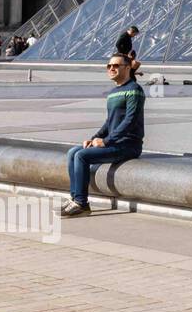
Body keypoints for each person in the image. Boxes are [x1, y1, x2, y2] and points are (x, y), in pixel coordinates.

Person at [62, 52, 146, 217]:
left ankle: (81, 203)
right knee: (73, 152)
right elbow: (109, 122)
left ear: (128, 68)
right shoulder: (114, 92)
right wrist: (94, 138)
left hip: (128, 145)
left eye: (116, 65)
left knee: (81, 156)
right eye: (109, 66)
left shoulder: (134, 90)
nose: (111, 68)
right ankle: (74, 198)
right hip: (116, 143)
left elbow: (130, 121)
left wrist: (107, 141)